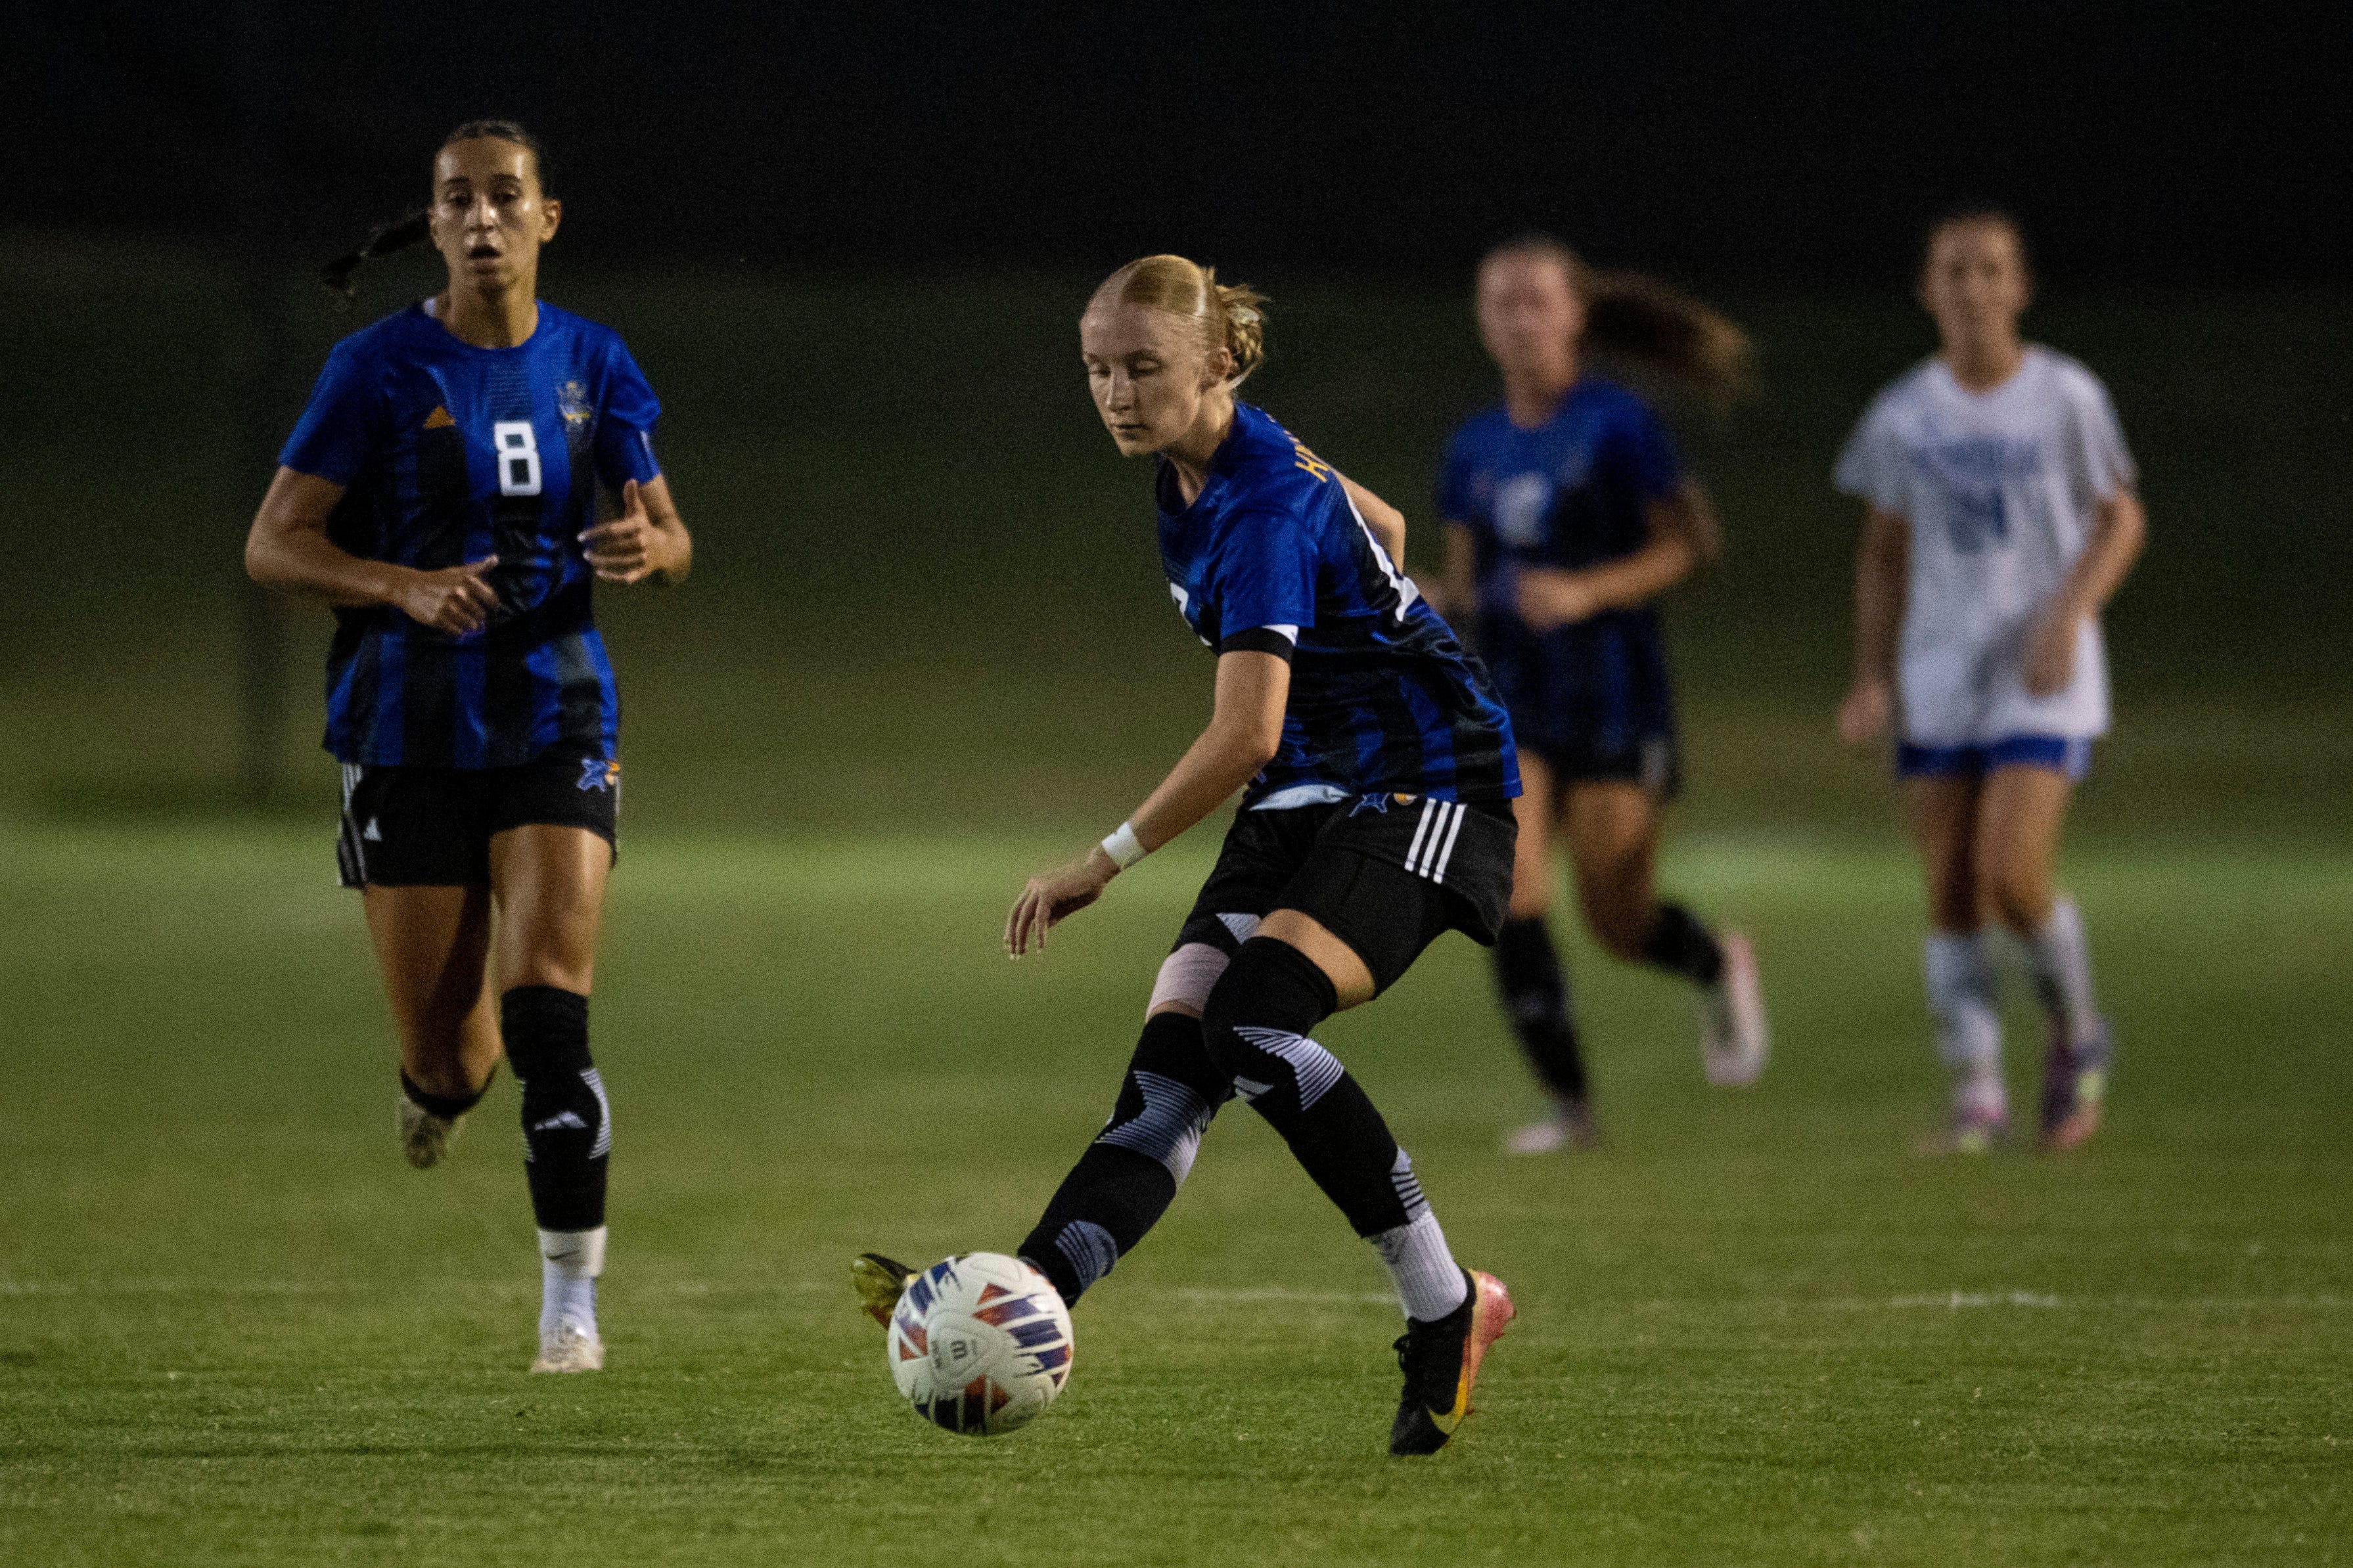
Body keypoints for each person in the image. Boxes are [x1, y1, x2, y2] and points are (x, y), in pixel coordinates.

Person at [855, 256, 1520, 1456]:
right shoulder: (1205, 468)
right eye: (1097, 369)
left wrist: (1098, 861)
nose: (1114, 391)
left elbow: (1245, 729)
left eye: (1141, 367)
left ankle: (1446, 1302)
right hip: (1309, 789)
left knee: (1255, 1027)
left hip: (1426, 786)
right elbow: (1379, 522)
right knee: (1175, 1069)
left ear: (1218, 362)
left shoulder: (1255, 504)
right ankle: (1030, 1296)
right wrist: (1375, 604)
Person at [243, 120, 692, 1370]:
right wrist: (400, 586)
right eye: (459, 201)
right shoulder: (377, 368)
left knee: (550, 1014)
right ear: (432, 224)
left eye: (507, 197)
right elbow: (273, 545)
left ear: (547, 218)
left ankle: (570, 1310)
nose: (483, 219)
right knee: (454, 1058)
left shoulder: (594, 363)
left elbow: (670, 532)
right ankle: (436, 1094)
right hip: (404, 733)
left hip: (557, 719)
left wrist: (653, 553)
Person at [1430, 235, 1768, 1155]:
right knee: (1509, 890)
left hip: (1614, 692)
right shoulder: (1475, 445)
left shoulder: (1620, 424)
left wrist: (1587, 590)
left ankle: (1710, 958)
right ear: (1482, 320)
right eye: (1501, 302)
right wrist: (1430, 597)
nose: (1519, 318)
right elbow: (1467, 584)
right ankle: (1572, 1109)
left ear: (1575, 315)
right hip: (1513, 697)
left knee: (1617, 919)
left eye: (1537, 300)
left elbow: (1691, 545)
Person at [1833, 208, 2144, 1154]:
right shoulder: (1904, 412)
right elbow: (1882, 554)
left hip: (2041, 675)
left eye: (1989, 270)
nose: (1971, 288)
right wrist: (1871, 677)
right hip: (1939, 671)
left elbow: (2119, 518)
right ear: (1927, 291)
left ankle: (2077, 1035)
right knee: (1949, 889)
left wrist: (2067, 614)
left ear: (2019, 286)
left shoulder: (2064, 397)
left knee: (2009, 874)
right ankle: (1976, 1094)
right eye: (1952, 272)